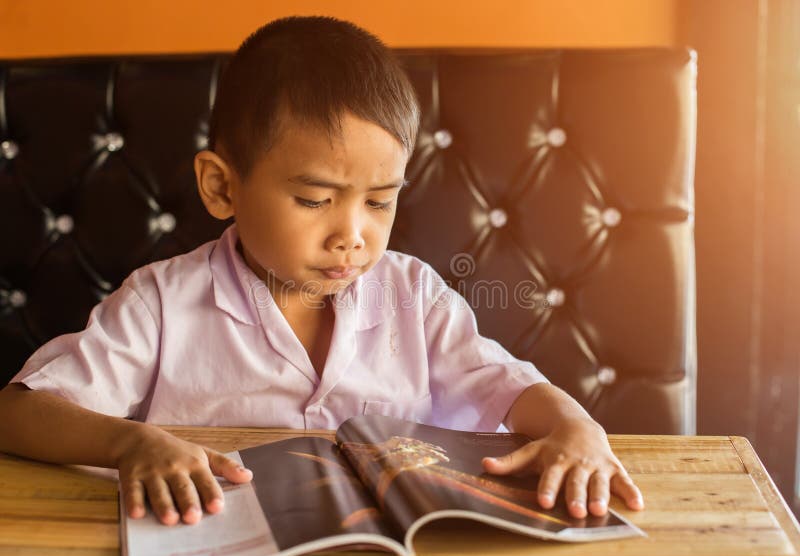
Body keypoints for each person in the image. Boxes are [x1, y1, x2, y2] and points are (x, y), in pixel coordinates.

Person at [0, 16, 643, 527]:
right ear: (222, 187)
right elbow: (20, 413)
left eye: (380, 201)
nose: (351, 235)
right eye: (314, 200)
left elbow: (506, 386)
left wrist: (576, 428)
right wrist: (129, 444)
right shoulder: (161, 305)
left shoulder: (413, 296)